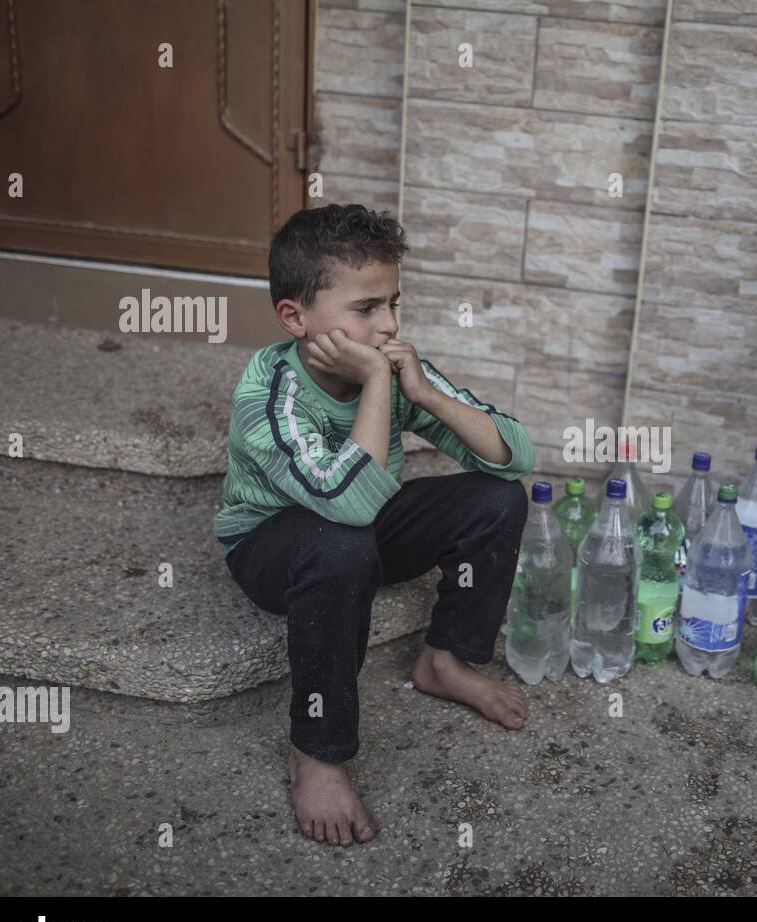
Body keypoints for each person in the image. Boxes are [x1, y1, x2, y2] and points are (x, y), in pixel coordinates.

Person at [213, 204, 536, 845]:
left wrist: (426, 395)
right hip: (273, 544)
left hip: (358, 526)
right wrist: (374, 387)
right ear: (295, 318)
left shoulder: (388, 362)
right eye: (366, 309)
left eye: (393, 303)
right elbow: (349, 505)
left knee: (498, 498)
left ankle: (445, 660)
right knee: (340, 544)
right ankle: (317, 748)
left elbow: (513, 455)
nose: (389, 324)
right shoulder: (267, 398)